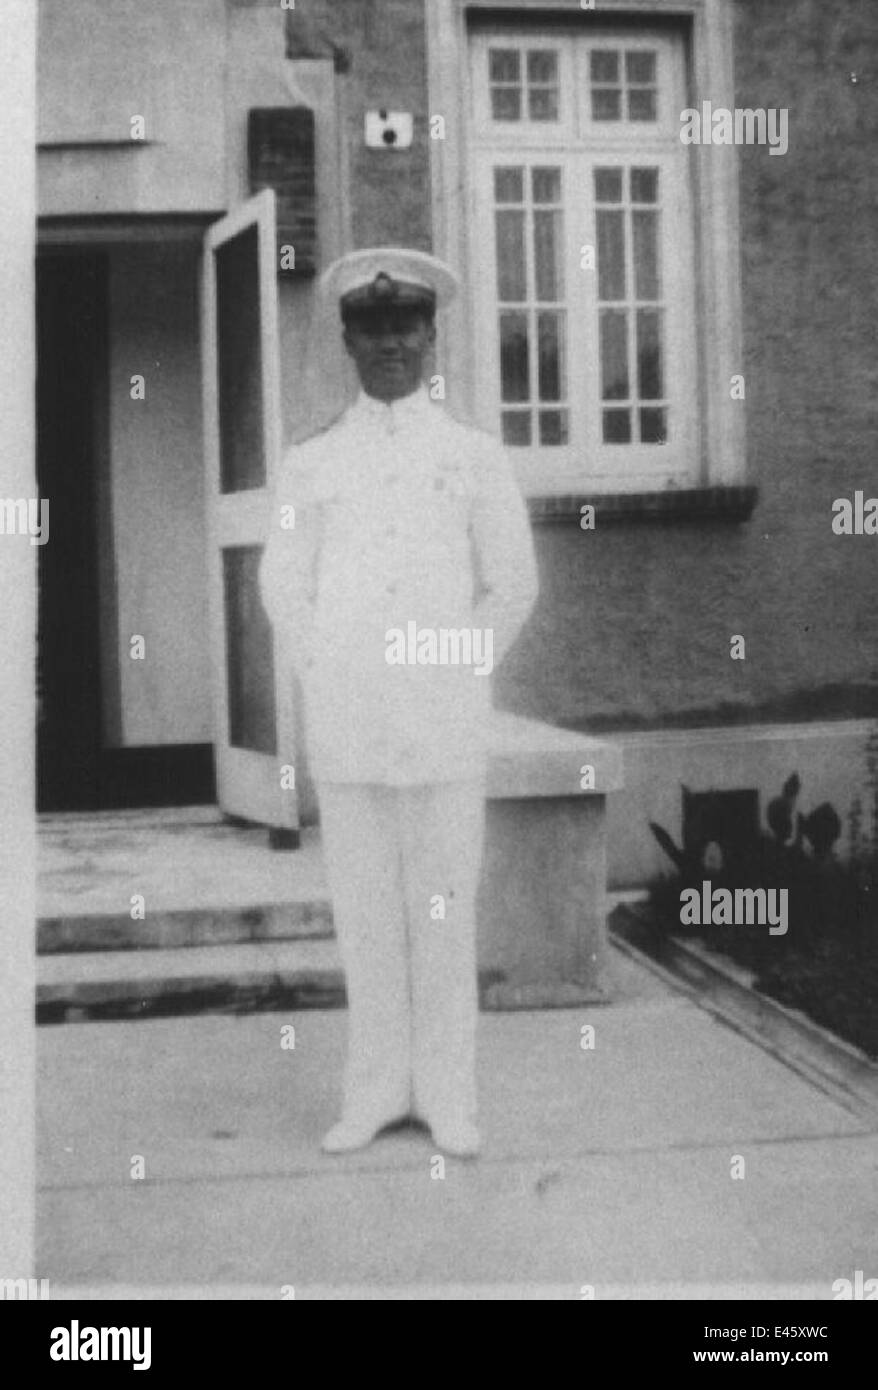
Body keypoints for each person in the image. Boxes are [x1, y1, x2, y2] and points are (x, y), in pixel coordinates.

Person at [259, 247, 538, 1156]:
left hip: (445, 727)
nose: (391, 342)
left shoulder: (472, 455)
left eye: (406, 326)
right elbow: (281, 584)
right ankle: (376, 1092)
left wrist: (456, 666)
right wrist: (326, 669)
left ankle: (448, 1098)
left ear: (430, 335)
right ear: (347, 338)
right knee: (368, 919)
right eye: (372, 327)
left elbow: (513, 586)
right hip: (351, 729)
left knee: (443, 915)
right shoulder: (313, 463)